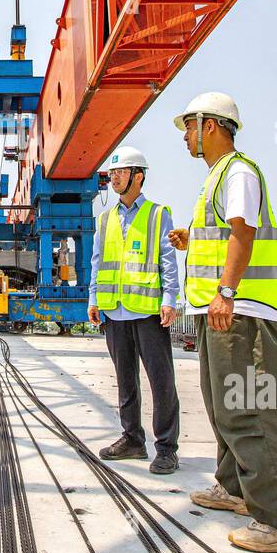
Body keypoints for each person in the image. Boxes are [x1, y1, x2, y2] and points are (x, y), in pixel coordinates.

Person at [167, 92, 277, 553]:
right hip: (222, 311)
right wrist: (192, 238)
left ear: (211, 125)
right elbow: (224, 234)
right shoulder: (216, 177)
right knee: (223, 407)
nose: (187, 137)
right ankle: (234, 490)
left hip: (242, 310)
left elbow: (242, 233)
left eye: (190, 127)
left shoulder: (238, 172)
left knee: (253, 409)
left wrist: (226, 292)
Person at [88, 145, 182, 475]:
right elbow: (98, 261)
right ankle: (132, 439)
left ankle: (167, 448)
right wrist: (93, 298)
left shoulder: (158, 214)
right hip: (115, 311)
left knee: (161, 381)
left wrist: (170, 298)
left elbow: (167, 260)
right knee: (125, 380)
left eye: (120, 172)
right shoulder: (105, 218)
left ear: (138, 176)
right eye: (111, 173)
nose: (113, 178)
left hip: (148, 312)